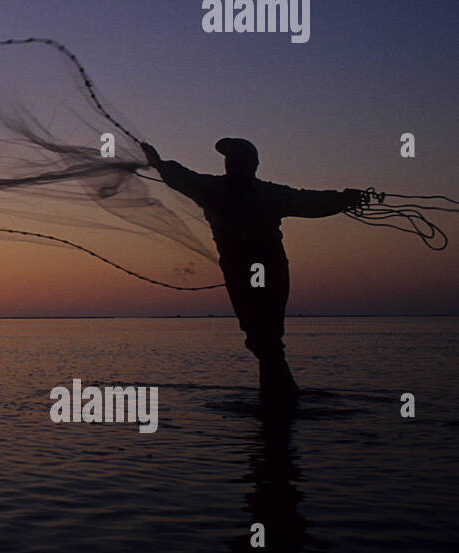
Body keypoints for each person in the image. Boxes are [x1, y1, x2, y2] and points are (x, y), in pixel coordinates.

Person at [140, 138, 365, 411]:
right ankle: (281, 402)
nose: (231, 163)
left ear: (251, 164)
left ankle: (279, 404)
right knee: (264, 337)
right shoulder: (222, 189)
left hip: (259, 269)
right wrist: (344, 199)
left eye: (236, 158)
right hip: (254, 269)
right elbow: (181, 177)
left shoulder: (226, 191)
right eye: (229, 158)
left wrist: (343, 199)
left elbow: (309, 201)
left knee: (264, 337)